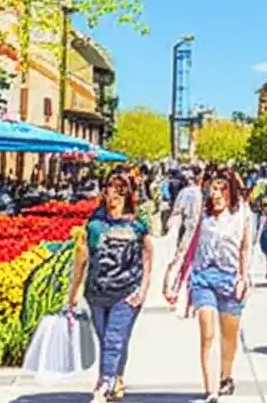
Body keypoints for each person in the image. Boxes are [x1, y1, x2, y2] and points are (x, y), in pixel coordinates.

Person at [67, 172, 153, 403]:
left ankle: (104, 384)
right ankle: (115, 376)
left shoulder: (137, 226)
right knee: (108, 339)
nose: (113, 194)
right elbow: (81, 259)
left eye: (119, 190)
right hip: (97, 293)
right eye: (109, 188)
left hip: (126, 292)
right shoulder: (94, 225)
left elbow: (147, 257)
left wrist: (143, 289)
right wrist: (73, 292)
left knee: (114, 338)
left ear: (127, 194)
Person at [165, 171, 250, 403]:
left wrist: (243, 277)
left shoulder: (242, 213)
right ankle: (211, 390)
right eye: (214, 188)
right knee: (207, 334)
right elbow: (186, 243)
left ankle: (226, 376)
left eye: (222, 189)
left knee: (229, 338)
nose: (217, 194)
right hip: (203, 278)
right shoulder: (202, 213)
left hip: (230, 279)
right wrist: (174, 270)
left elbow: (244, 247)